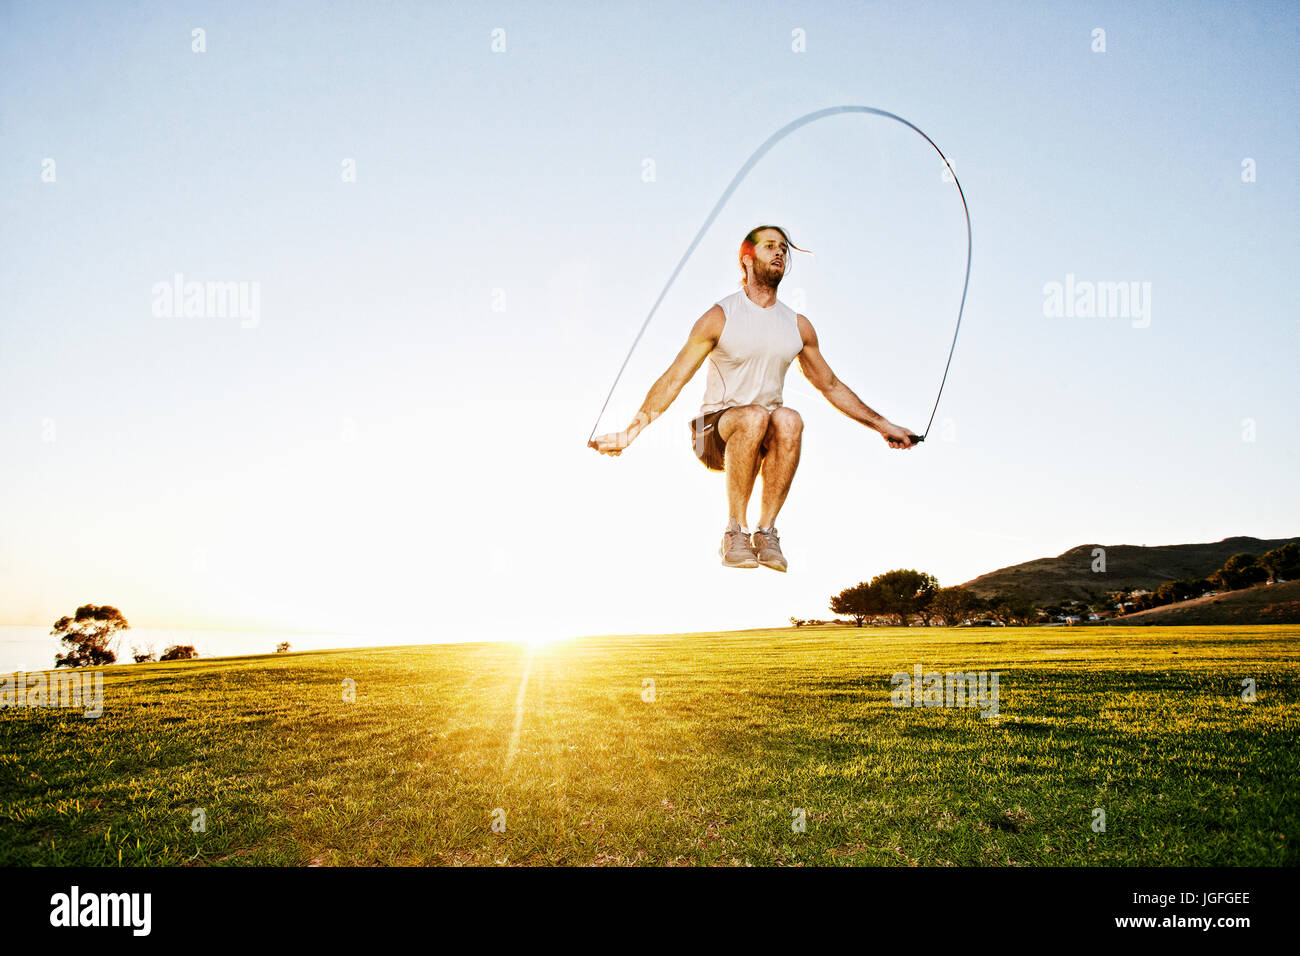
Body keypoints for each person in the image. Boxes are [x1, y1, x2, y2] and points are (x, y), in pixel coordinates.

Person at [589, 225, 918, 571]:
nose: (779, 253)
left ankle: (766, 532)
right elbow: (674, 378)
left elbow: (831, 385)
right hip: (714, 433)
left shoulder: (797, 325)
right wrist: (630, 431)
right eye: (770, 247)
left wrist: (884, 426)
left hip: (763, 436)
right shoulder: (720, 316)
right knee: (755, 415)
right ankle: (735, 531)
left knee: (789, 418)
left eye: (784, 249)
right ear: (747, 259)